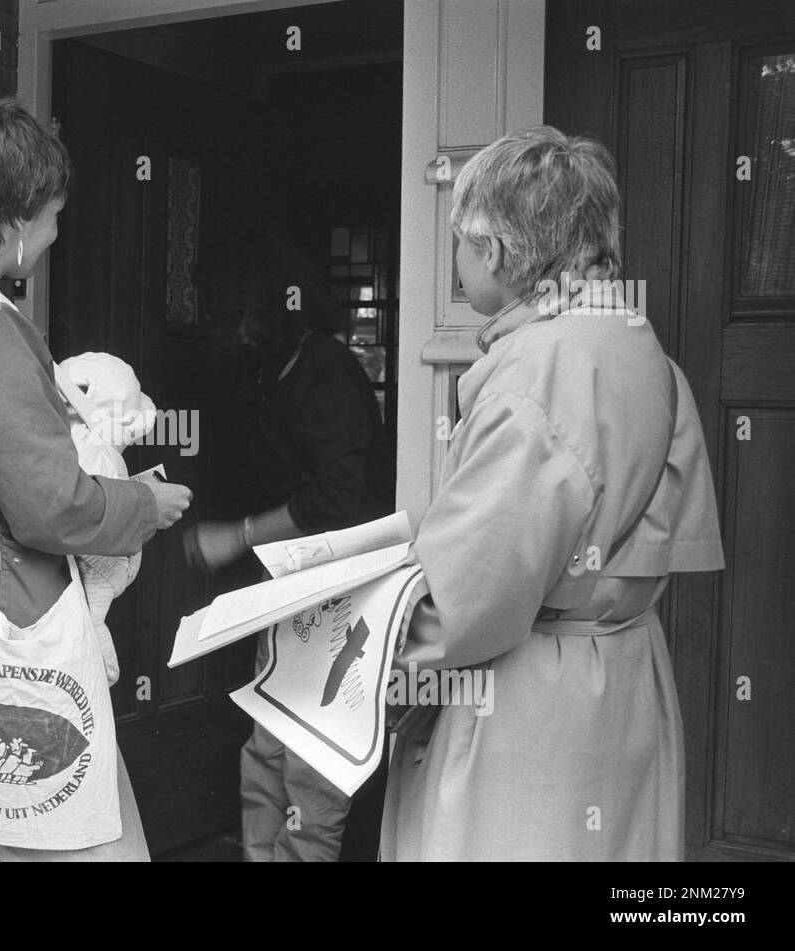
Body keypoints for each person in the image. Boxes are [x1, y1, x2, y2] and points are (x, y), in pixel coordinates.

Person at [381, 126, 725, 861]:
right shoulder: (638, 345)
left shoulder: (536, 373)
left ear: (496, 252)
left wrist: (351, 649)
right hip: (623, 683)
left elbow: (461, 603)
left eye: (459, 245)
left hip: (527, 708)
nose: (457, 263)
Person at [0, 99, 192, 861]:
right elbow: (53, 505)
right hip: (8, 635)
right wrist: (143, 502)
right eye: (50, 215)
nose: (53, 233)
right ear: (15, 221)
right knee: (92, 841)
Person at [184, 231, 395, 861]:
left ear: (282, 312)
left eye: (249, 315)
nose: (239, 329)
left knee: (310, 769)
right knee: (266, 750)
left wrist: (238, 535)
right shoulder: (268, 373)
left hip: (339, 592)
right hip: (287, 589)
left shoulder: (326, 371)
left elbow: (333, 499)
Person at [57, 351, 159, 687]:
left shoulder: (57, 440)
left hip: (84, 556)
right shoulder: (99, 455)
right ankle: (104, 676)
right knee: (90, 616)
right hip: (101, 558)